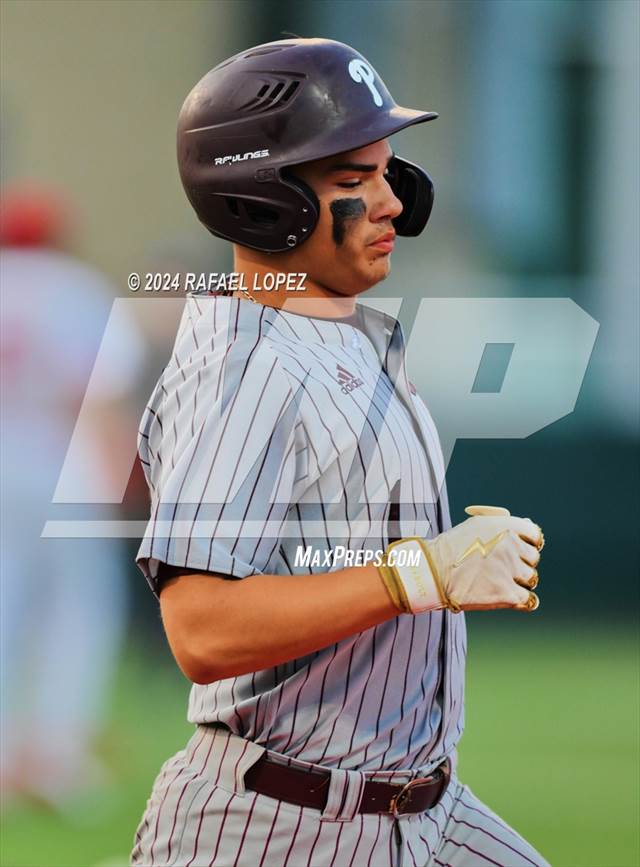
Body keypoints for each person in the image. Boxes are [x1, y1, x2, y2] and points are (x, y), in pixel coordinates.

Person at [131, 38, 548, 867]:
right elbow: (202, 628)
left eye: (390, 171)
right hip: (279, 827)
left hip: (419, 810)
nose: (392, 201)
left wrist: (441, 561)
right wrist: (416, 573)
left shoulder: (346, 333)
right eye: (353, 181)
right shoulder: (246, 368)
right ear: (261, 201)